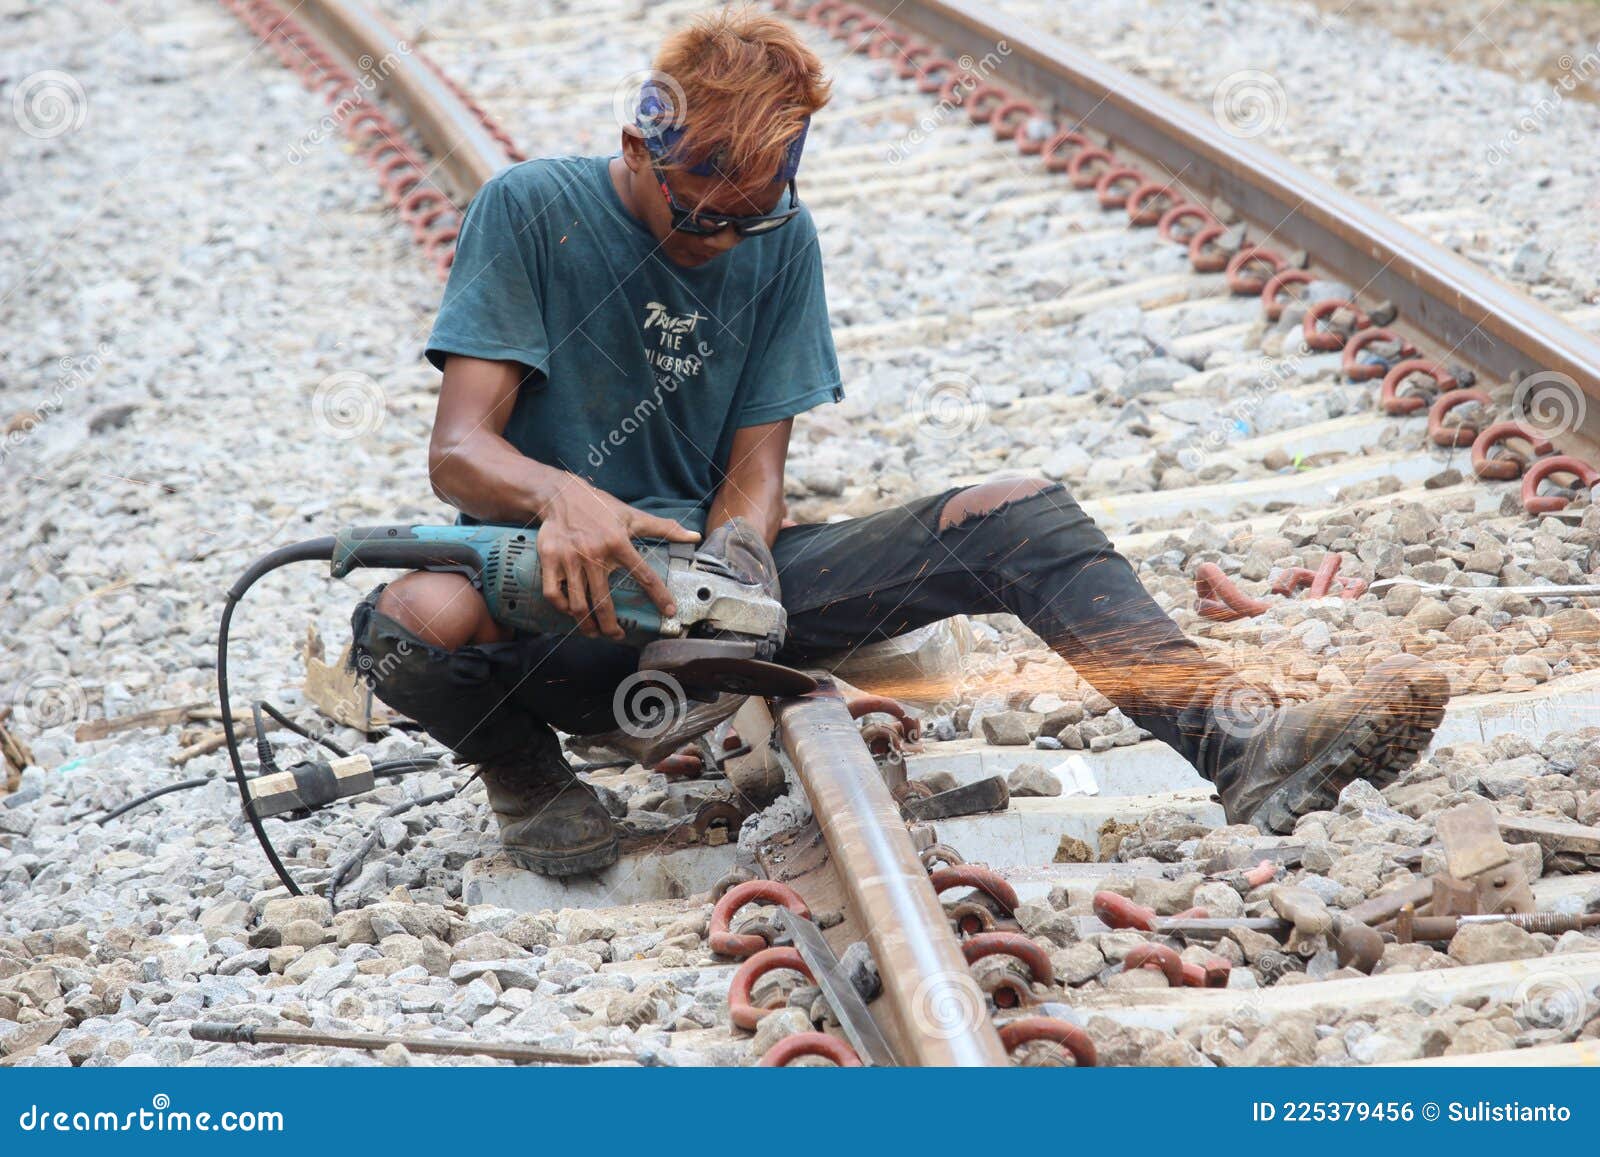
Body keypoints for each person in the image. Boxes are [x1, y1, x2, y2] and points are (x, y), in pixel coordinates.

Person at [351, 8, 1448, 877]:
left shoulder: (781, 242)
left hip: (696, 608)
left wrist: (733, 569)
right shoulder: (530, 210)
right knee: (403, 626)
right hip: (555, 597)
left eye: (752, 214)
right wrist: (561, 498)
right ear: (640, 145)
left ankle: (1238, 744)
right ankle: (528, 776)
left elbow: (756, 470)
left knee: (1018, 515)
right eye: (700, 212)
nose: (723, 238)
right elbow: (459, 452)